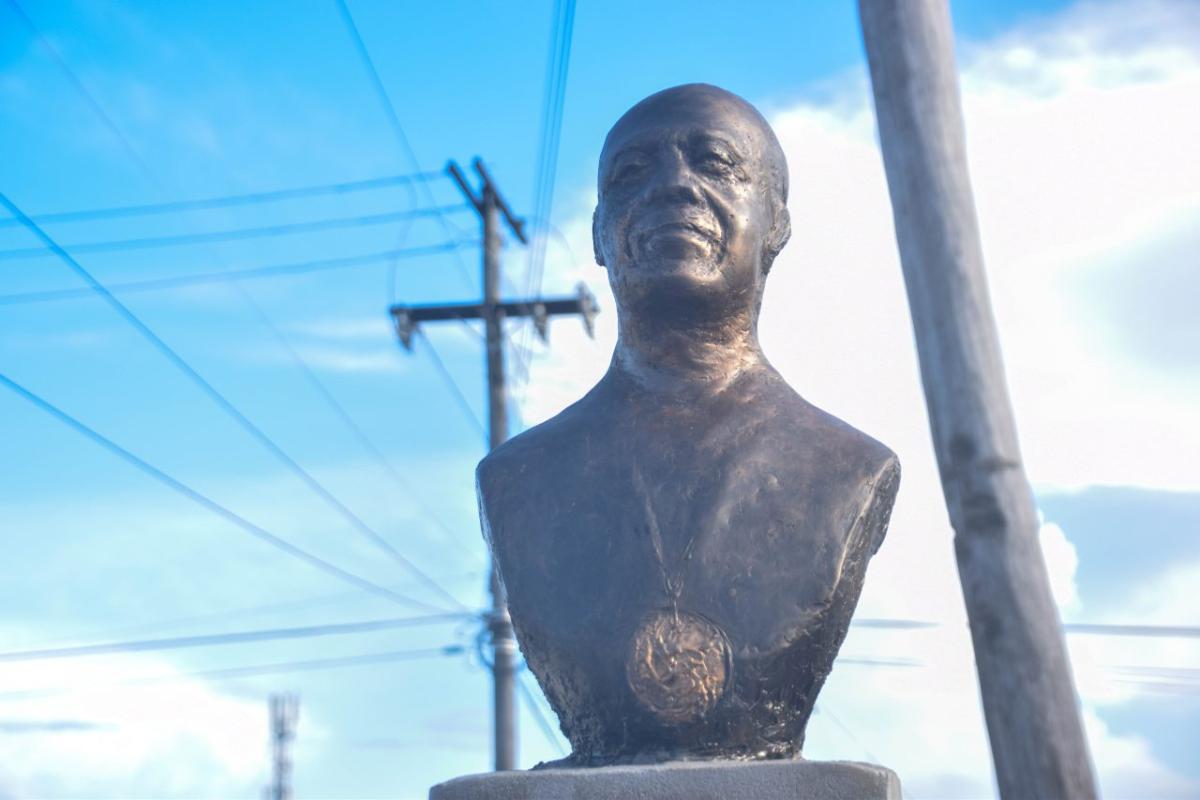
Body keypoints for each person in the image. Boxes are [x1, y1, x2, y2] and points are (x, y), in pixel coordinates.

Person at [477, 83, 900, 765]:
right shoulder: (517, 480)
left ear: (777, 222)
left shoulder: (848, 469)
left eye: (715, 162)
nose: (674, 184)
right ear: (599, 234)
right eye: (631, 172)